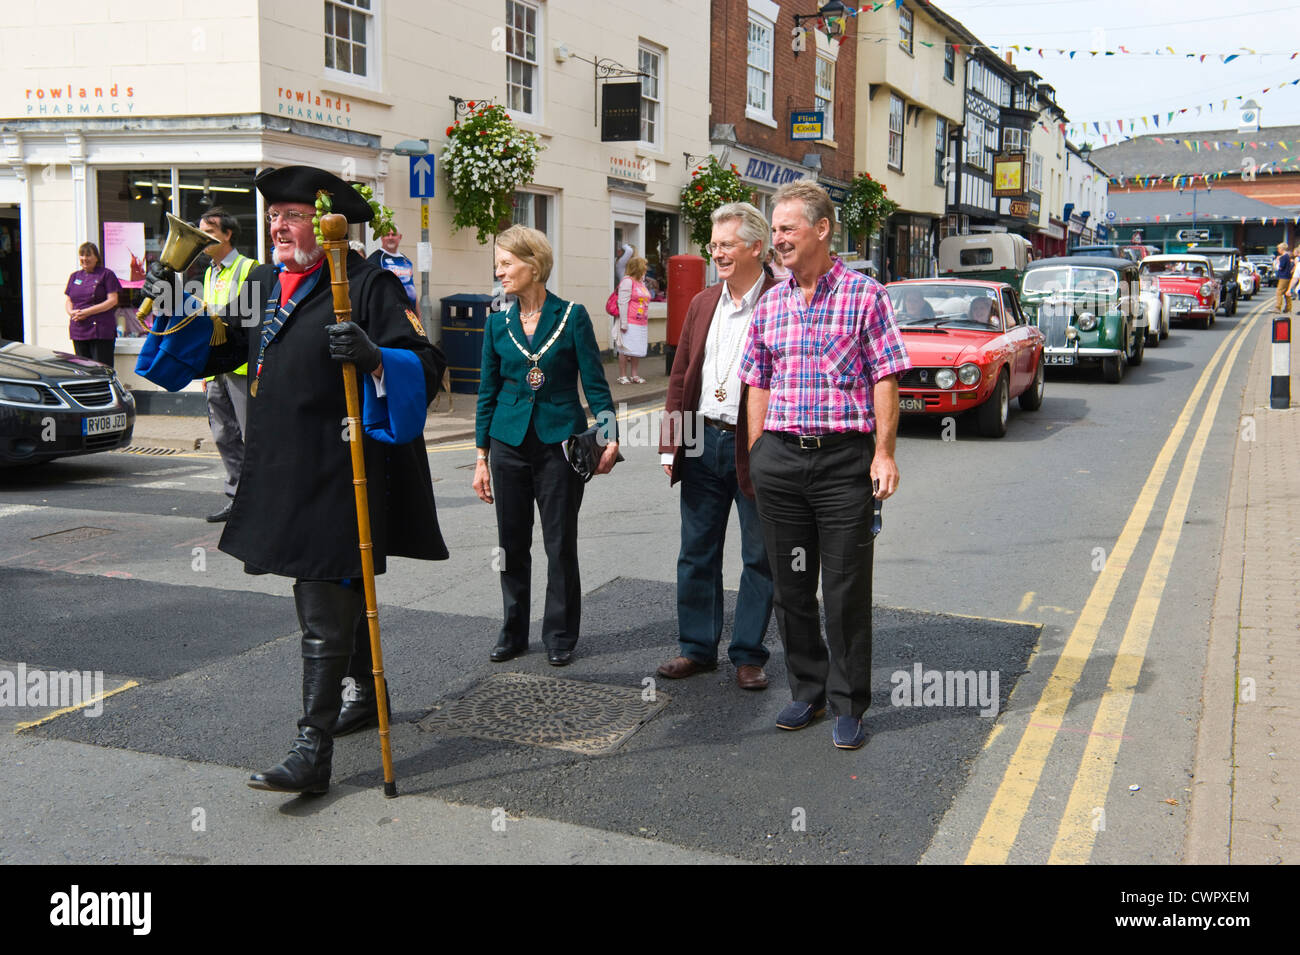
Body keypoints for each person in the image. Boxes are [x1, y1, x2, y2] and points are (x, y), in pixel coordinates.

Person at [140, 165, 448, 795]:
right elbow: (216, 350)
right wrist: (174, 291)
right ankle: (366, 691)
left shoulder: (367, 283)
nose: (279, 226)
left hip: (344, 471)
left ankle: (313, 749)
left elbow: (425, 363)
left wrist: (374, 355)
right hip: (283, 465)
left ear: (327, 223)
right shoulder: (261, 282)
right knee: (333, 589)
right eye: (274, 216)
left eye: (294, 215)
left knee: (320, 596)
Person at [738, 180, 911, 751]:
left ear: (821, 229)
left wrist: (883, 452)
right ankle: (807, 690)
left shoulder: (866, 296)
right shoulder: (770, 302)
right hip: (781, 460)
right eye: (775, 230)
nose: (777, 240)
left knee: (843, 588)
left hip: (843, 463)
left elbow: (886, 376)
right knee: (790, 587)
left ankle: (848, 703)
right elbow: (757, 381)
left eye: (787, 229)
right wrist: (760, 451)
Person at [474, 225, 619, 667]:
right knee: (511, 543)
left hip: (560, 443)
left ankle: (559, 633)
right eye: (497, 264)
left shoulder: (572, 315)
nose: (499, 272)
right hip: (508, 443)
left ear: (533, 265)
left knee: (560, 542)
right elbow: (487, 392)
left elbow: (595, 385)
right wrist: (480, 458)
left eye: (506, 263)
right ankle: (513, 629)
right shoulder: (497, 323)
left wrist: (609, 434)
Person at [657, 202, 776, 691]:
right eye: (714, 245)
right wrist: (671, 446)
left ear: (755, 247)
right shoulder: (704, 302)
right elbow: (681, 375)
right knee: (696, 551)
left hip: (757, 445)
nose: (717, 253)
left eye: (726, 244)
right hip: (703, 439)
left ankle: (748, 654)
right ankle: (697, 649)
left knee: (759, 556)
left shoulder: (781, 300)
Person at [194, 208, 257, 523]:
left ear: (228, 234)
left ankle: (260, 499)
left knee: (250, 435)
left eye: (209, 232)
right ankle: (237, 499)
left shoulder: (249, 268)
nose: (203, 238)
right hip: (215, 367)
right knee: (222, 435)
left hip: (242, 368)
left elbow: (252, 317)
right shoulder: (209, 272)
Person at [64, 242, 121, 366]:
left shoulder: (106, 274)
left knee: (101, 369)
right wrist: (71, 312)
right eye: (82, 255)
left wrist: (87, 312)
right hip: (79, 329)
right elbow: (69, 300)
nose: (85, 258)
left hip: (100, 331)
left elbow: (112, 300)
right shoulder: (74, 276)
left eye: (88, 255)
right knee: (83, 370)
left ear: (96, 257)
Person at [614, 256, 650, 384]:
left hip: (641, 322)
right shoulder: (627, 281)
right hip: (629, 322)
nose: (646, 269)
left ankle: (634, 375)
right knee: (625, 349)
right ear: (638, 267)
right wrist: (624, 323)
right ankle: (623, 375)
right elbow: (622, 303)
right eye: (644, 266)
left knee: (636, 349)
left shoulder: (641, 283)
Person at [367, 230, 418, 305]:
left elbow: (412, 288)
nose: (390, 238)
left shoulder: (405, 260)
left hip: (409, 311)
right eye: (387, 235)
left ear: (400, 237)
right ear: (381, 237)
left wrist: (419, 315)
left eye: (393, 234)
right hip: (389, 311)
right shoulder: (375, 258)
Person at [1275, 241, 1293, 313]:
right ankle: (1288, 308)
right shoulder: (1287, 256)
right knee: (1286, 292)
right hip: (1288, 276)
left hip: (1283, 277)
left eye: (1278, 249)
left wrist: (1278, 261)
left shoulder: (1283, 257)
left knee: (1279, 292)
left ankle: (1277, 307)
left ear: (1281, 249)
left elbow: (1281, 267)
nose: (1278, 250)